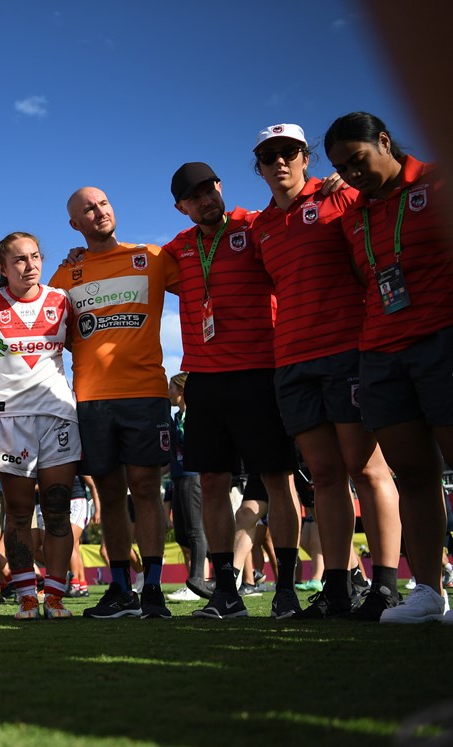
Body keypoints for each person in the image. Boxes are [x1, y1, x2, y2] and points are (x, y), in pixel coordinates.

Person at [250, 122, 403, 621]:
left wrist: (347, 185)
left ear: (306, 157)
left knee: (367, 468)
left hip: (347, 351)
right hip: (292, 361)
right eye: (269, 155)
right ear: (259, 167)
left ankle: (385, 587)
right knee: (324, 475)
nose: (280, 161)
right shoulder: (259, 227)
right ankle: (337, 589)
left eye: (289, 152)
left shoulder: (341, 196)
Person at [324, 112, 453, 623]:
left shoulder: (438, 182)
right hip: (380, 353)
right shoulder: (353, 214)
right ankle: (428, 592)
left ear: (384, 141)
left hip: (442, 339)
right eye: (342, 168)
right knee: (414, 473)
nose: (351, 174)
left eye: (357, 160)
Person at [163, 162, 302, 620]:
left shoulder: (256, 226)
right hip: (203, 380)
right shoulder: (178, 248)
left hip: (260, 373)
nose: (206, 200)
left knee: (278, 480)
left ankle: (286, 591)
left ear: (221, 187)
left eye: (210, 189)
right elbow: (132, 265)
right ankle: (225, 592)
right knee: (212, 482)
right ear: (181, 207)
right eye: (195, 196)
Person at [49, 187, 179, 619]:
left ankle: (153, 588)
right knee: (109, 493)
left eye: (103, 203)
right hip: (91, 399)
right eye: (88, 209)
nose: (99, 212)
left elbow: (205, 278)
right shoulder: (65, 275)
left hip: (145, 393)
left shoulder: (152, 257)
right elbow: (50, 330)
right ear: (75, 224)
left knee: (145, 488)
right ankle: (121, 588)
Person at [0, 232, 79, 620]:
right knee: (17, 512)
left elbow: (85, 349)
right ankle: (26, 596)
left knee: (57, 508)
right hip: (11, 420)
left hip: (58, 416)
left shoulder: (61, 301)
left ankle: (56, 596)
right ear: (2, 267)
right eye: (19, 259)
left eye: (35, 257)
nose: (30, 265)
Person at [165, 372, 209, 601]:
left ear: (181, 391)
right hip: (178, 477)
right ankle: (210, 573)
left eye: (171, 388)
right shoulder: (176, 417)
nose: (168, 392)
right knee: (182, 534)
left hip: (193, 476)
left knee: (194, 530)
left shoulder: (196, 415)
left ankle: (197, 581)